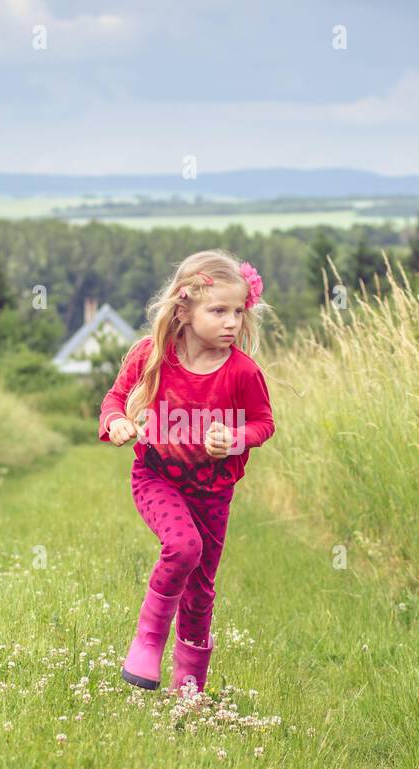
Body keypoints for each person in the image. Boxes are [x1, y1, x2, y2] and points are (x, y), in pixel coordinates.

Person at [98, 249, 276, 695]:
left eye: (239, 311)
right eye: (218, 311)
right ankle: (147, 642)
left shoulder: (242, 372)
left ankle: (189, 685)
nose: (232, 322)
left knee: (201, 591)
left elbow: (263, 423)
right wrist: (117, 422)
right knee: (182, 546)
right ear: (184, 309)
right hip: (157, 477)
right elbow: (114, 399)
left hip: (213, 493)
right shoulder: (151, 355)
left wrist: (236, 439)